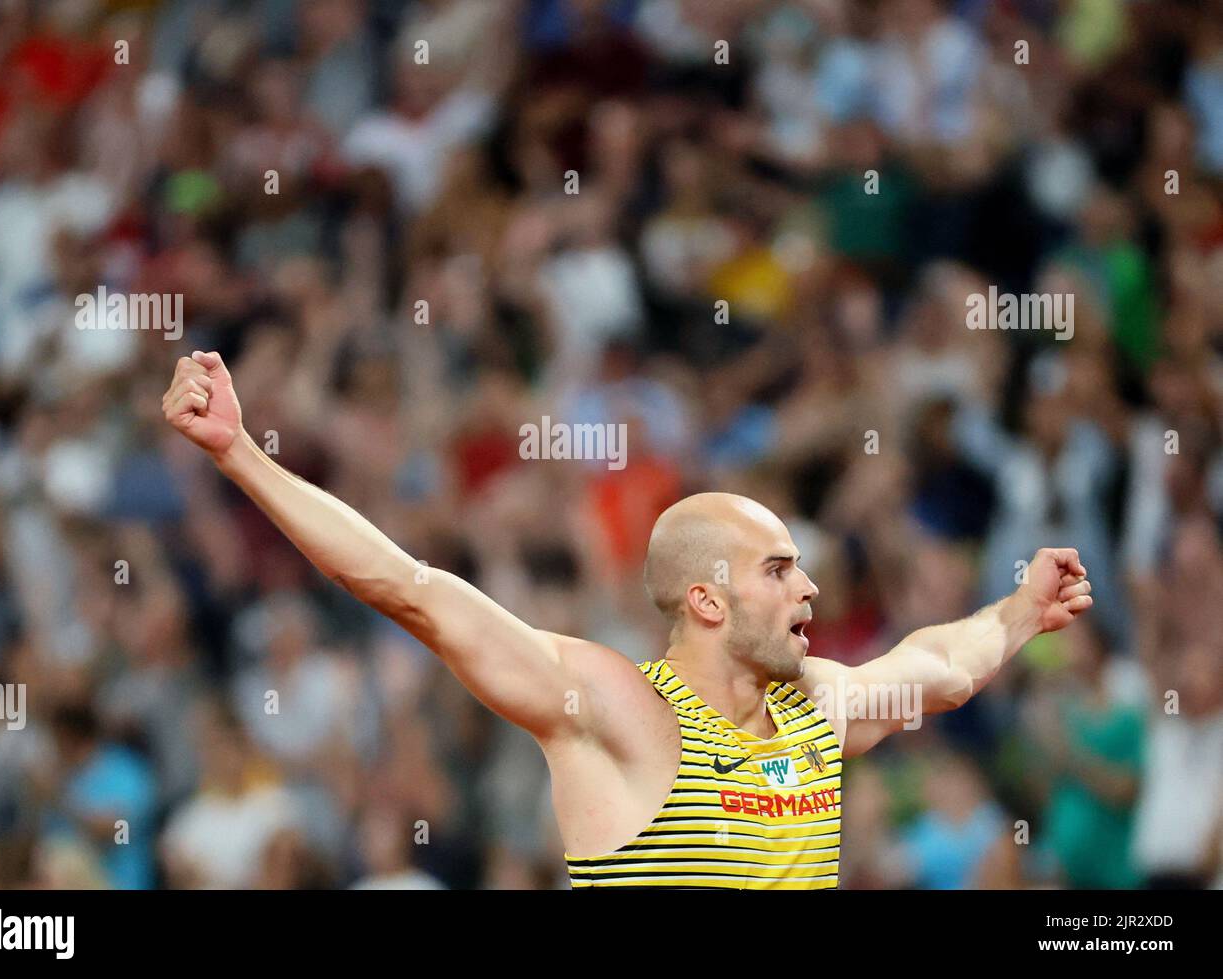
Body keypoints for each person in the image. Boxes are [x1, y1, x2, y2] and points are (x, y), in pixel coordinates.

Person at [162, 350, 1096, 889]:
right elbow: (410, 586)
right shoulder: (615, 712)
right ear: (706, 600)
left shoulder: (819, 706)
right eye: (780, 569)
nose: (810, 590)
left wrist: (1018, 609)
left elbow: (941, 663)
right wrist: (240, 453)